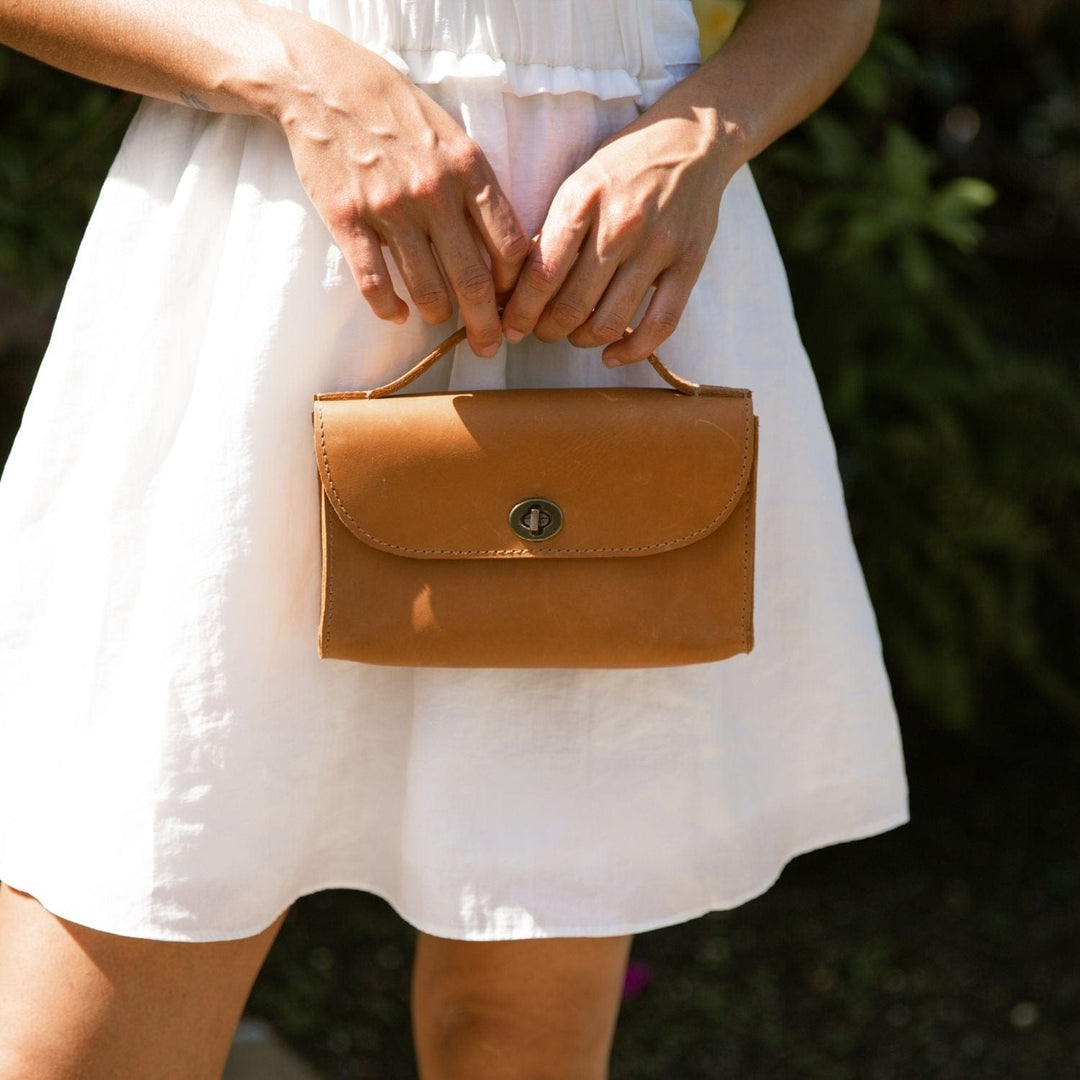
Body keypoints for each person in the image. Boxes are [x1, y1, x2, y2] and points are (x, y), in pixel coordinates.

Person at [0, 0, 909, 1076]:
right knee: (119, 954)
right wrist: (300, 75)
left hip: (619, 271)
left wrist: (706, 132)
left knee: (524, 1027)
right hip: (269, 235)